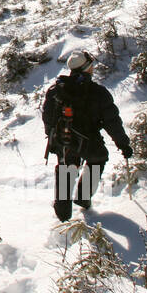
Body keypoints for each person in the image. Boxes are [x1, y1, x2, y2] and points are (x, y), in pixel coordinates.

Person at [42, 50, 132, 222]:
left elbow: (47, 116)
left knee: (66, 171)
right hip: (89, 140)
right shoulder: (98, 93)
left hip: (63, 139)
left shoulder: (55, 90)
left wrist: (52, 137)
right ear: (87, 68)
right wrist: (123, 144)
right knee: (98, 159)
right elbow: (112, 121)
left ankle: (62, 216)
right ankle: (83, 197)